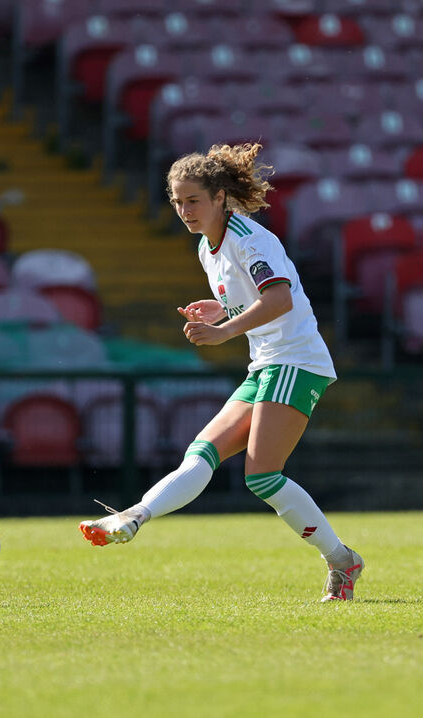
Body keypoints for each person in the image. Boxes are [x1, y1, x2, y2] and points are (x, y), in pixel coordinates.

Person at [79, 142, 364, 602]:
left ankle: (342, 561)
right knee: (200, 454)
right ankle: (132, 516)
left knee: (262, 477)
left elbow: (279, 300)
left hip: (296, 360)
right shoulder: (206, 248)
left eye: (193, 200)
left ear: (218, 199)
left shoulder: (250, 239)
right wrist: (220, 310)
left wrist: (225, 331)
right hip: (268, 363)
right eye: (176, 201)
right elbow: (253, 295)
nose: (184, 209)